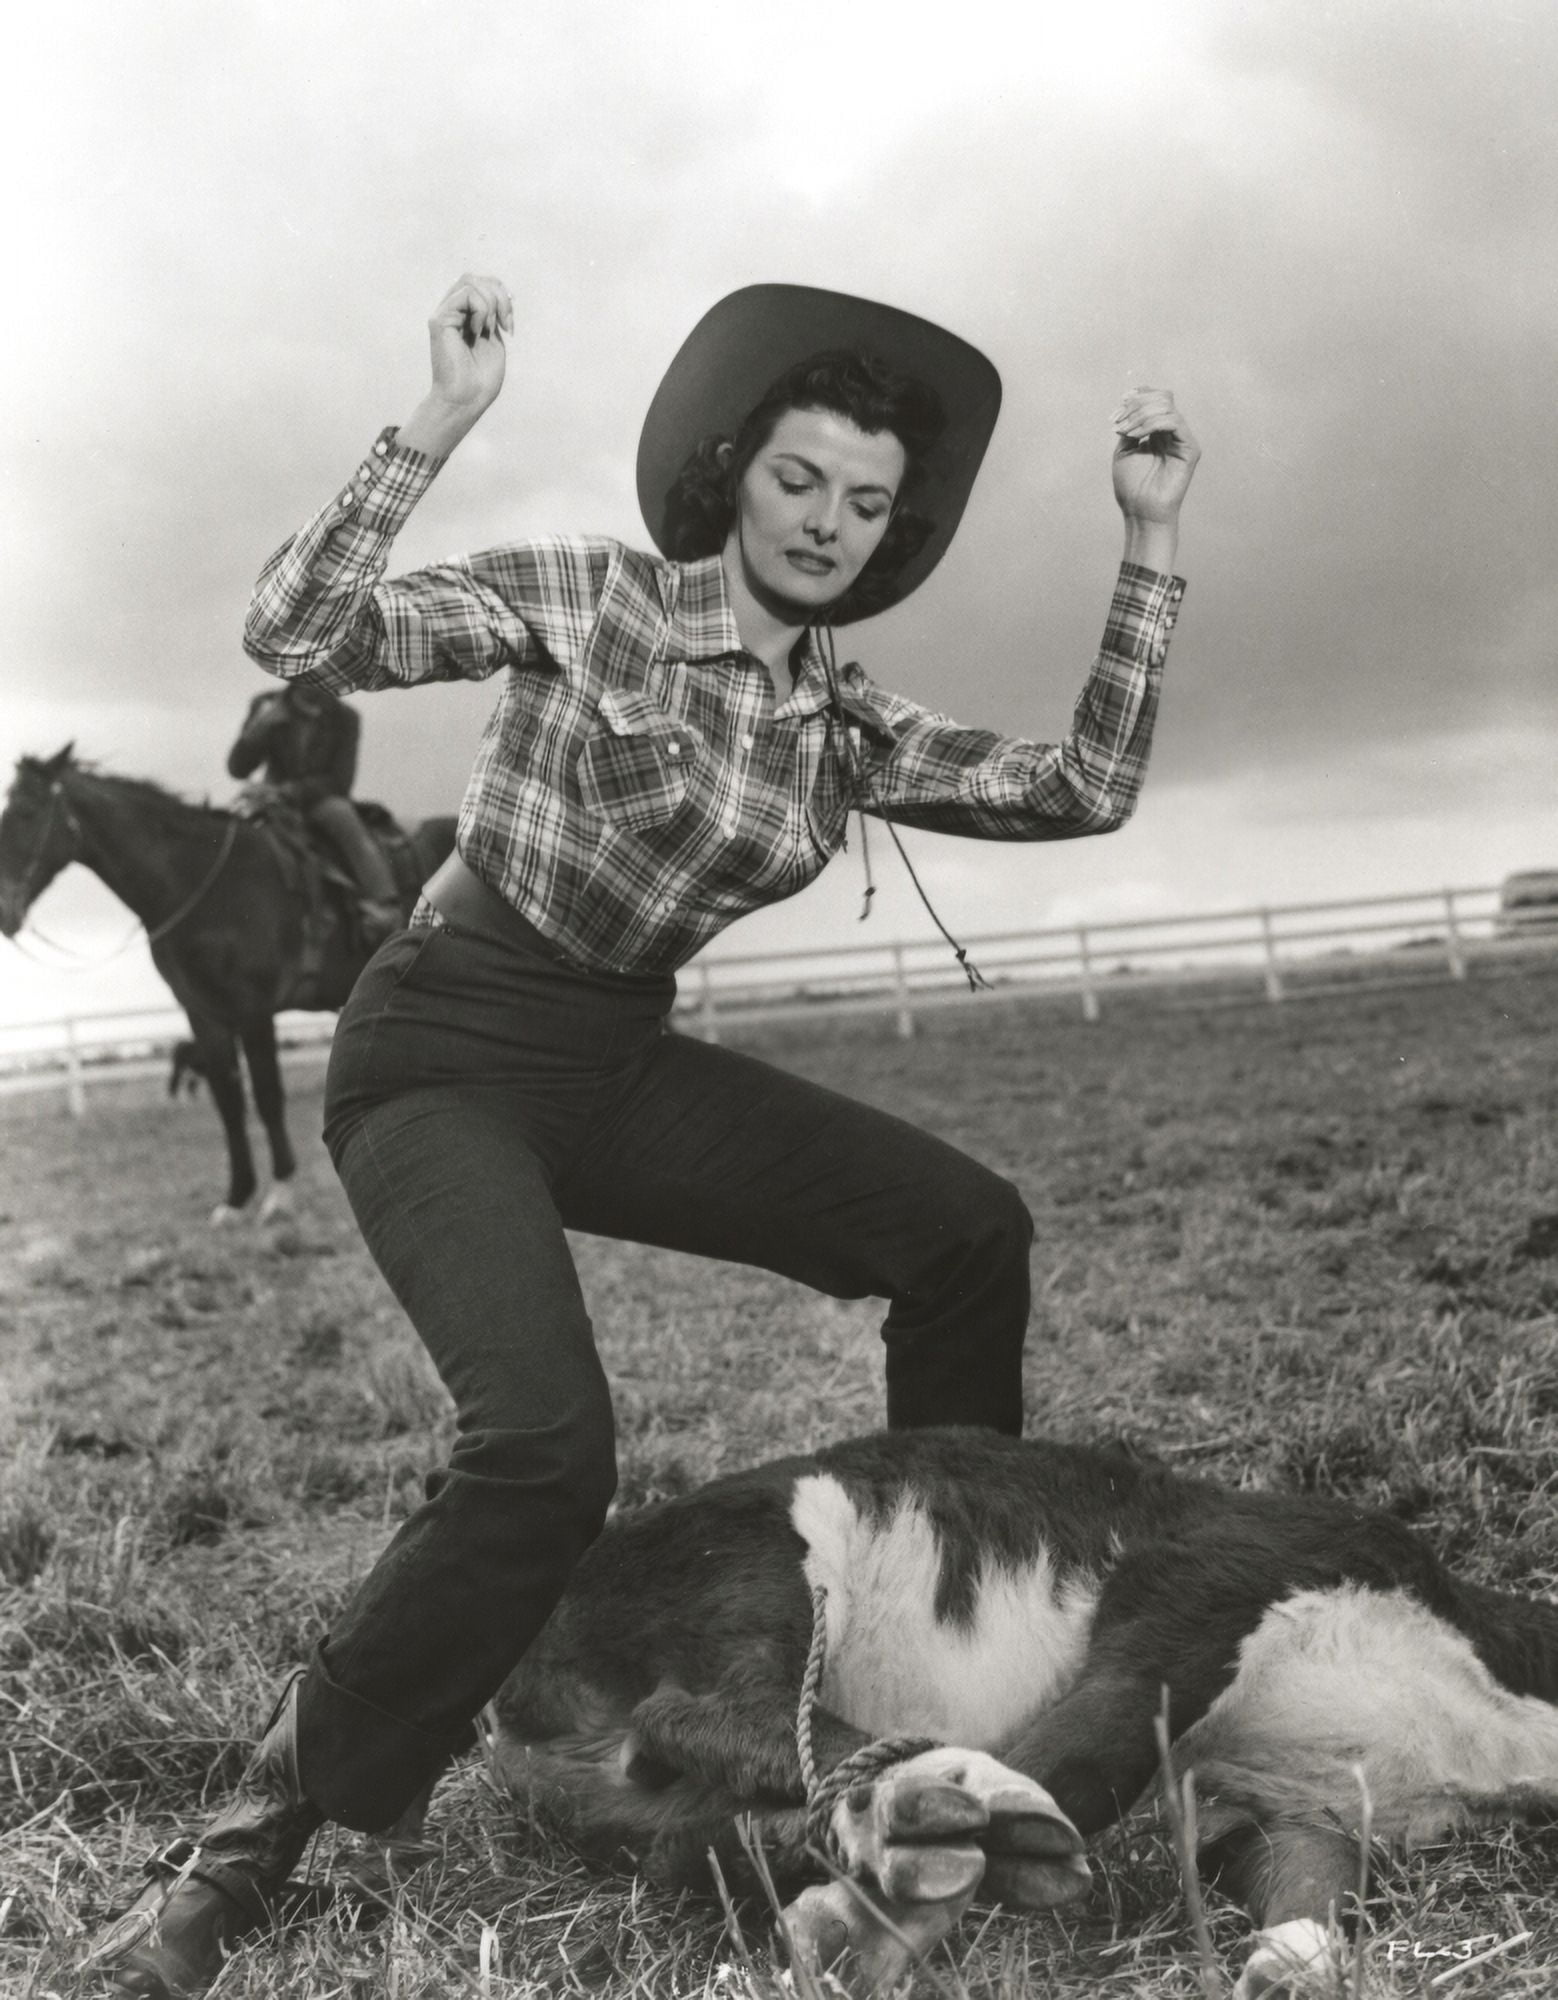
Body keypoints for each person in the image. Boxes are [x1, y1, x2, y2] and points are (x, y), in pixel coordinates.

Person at [83, 274, 1198, 1995]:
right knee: (540, 1452)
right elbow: (299, 637)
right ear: (733, 469)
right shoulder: (592, 595)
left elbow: (1079, 790)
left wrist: (1143, 543)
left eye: (866, 502)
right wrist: (434, 426)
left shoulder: (843, 716)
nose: (825, 522)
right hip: (445, 1039)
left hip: (619, 1058)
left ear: (895, 532)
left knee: (963, 1232)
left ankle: (939, 1667)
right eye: (798, 478)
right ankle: (238, 1854)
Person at [226, 678, 403, 942]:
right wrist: (257, 731)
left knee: (344, 819)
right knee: (231, 830)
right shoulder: (266, 705)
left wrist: (288, 791)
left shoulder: (345, 717)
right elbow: (238, 769)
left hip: (319, 801)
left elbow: (340, 781)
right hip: (270, 802)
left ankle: (385, 905)